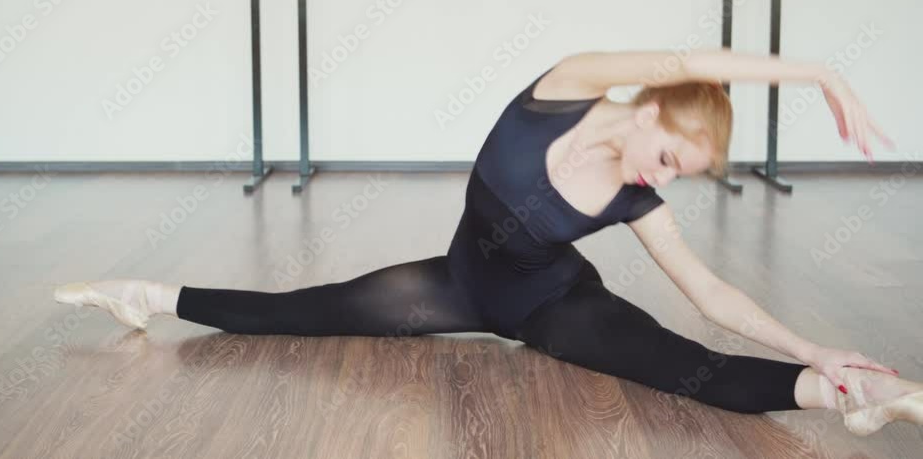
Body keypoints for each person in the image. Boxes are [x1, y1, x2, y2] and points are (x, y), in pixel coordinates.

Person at [54, 49, 922, 436]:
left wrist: (813, 342)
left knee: (685, 362)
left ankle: (854, 391)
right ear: (652, 110)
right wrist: (817, 73)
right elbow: (690, 55)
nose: (664, 177)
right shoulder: (565, 87)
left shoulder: (632, 193)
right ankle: (151, 297)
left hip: (555, 307)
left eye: (681, 174)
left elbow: (710, 293)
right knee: (299, 315)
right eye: (670, 157)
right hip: (459, 285)